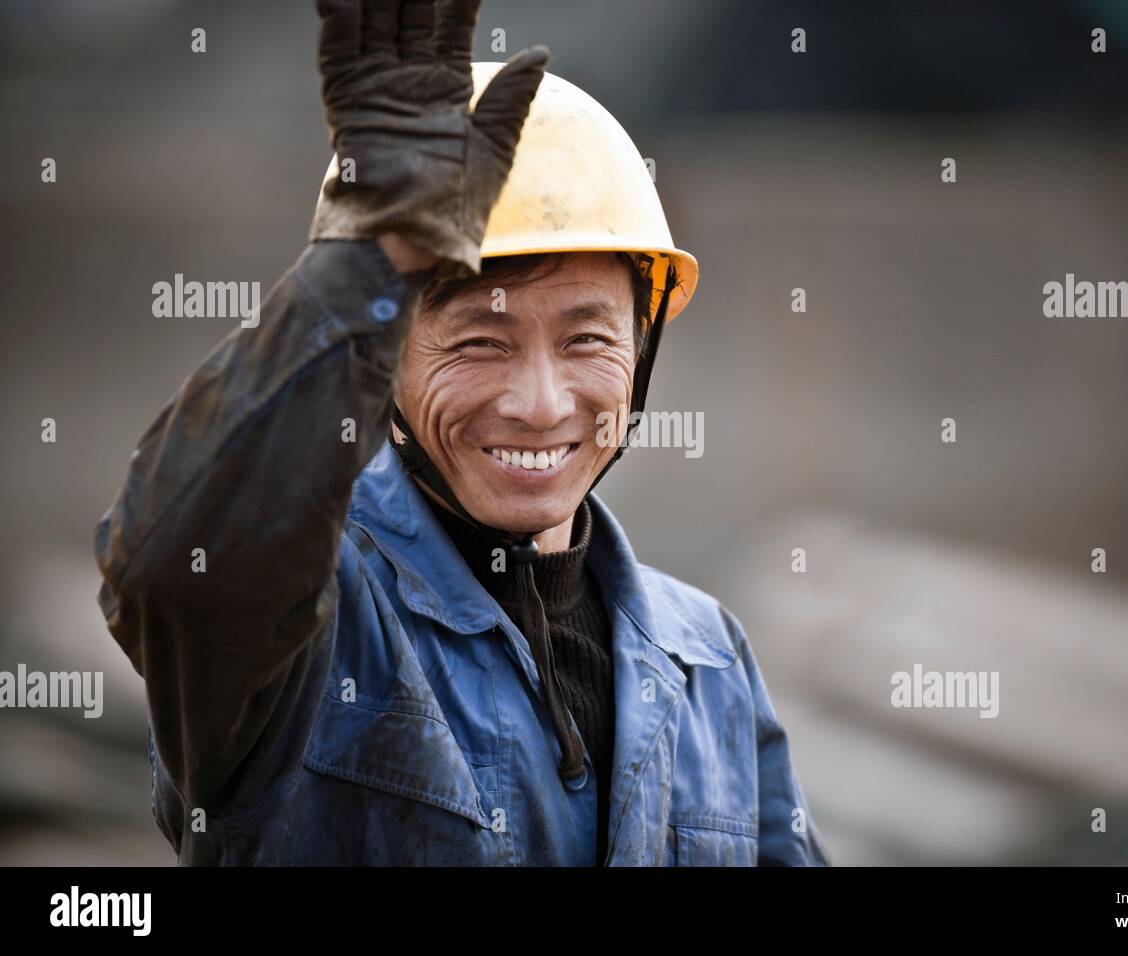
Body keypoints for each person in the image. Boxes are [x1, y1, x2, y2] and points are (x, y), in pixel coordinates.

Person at [93, 0, 829, 866]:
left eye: (588, 339)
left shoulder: (709, 662)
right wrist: (366, 264)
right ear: (384, 361)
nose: (543, 403)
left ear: (644, 346)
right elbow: (173, 568)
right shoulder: (310, 624)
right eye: (481, 341)